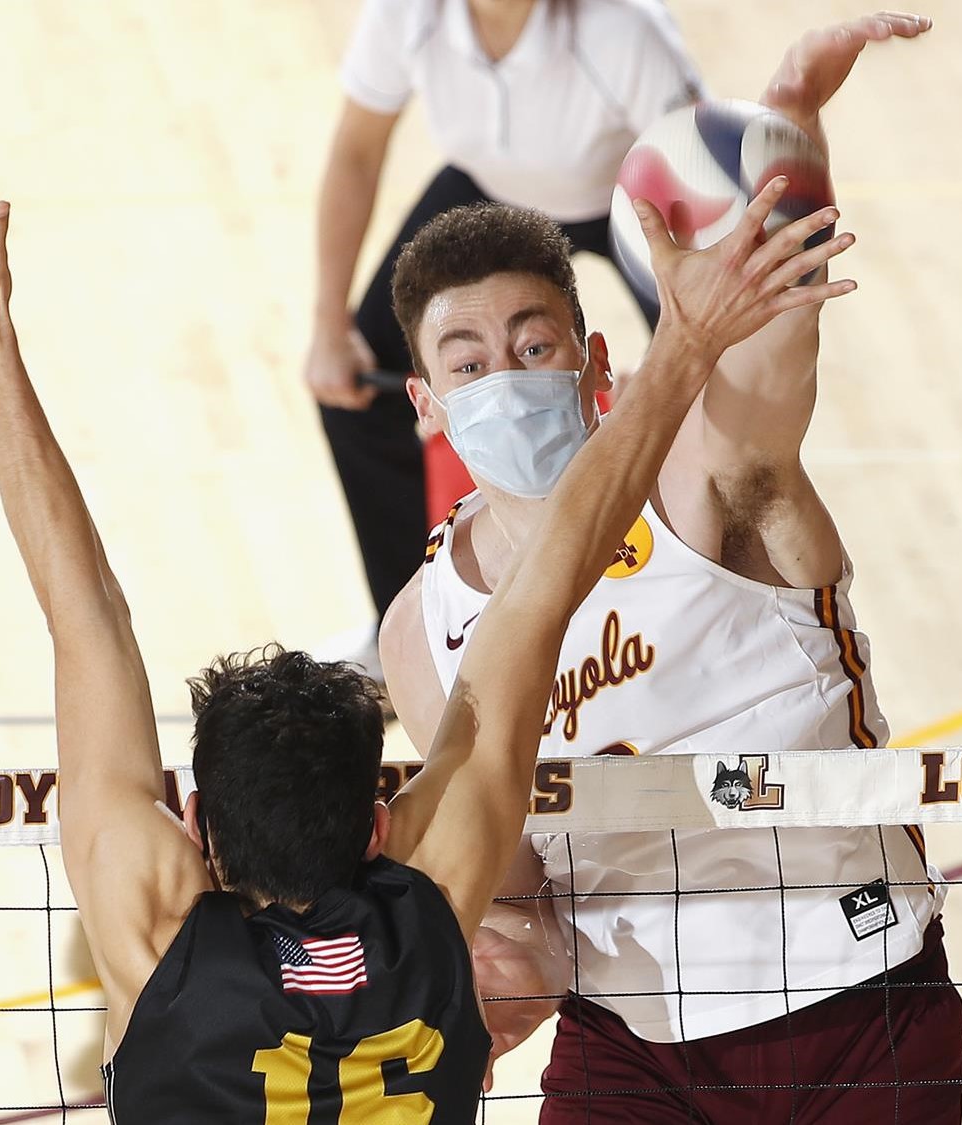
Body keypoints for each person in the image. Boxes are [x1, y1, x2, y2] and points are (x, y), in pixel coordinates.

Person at [0, 174, 854, 1121]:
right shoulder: (428, 908)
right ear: (379, 824)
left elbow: (84, 622)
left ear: (199, 828)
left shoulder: (158, 944)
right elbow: (539, 597)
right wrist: (681, 352)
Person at [374, 12, 962, 1123]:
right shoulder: (419, 630)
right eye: (468, 361)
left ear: (593, 359)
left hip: (851, 1000)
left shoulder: (701, 472)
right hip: (629, 1045)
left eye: (531, 344)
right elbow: (513, 892)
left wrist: (786, 125)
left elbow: (778, 340)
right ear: (425, 404)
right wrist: (499, 977)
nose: (503, 376)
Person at [304, 0, 709, 673]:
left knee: (711, 391)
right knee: (352, 389)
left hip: (629, 201)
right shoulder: (407, 13)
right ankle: (408, 623)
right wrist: (328, 320)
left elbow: (698, 181)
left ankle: (690, 604)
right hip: (485, 192)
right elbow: (355, 152)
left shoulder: (622, 30)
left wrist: (683, 358)